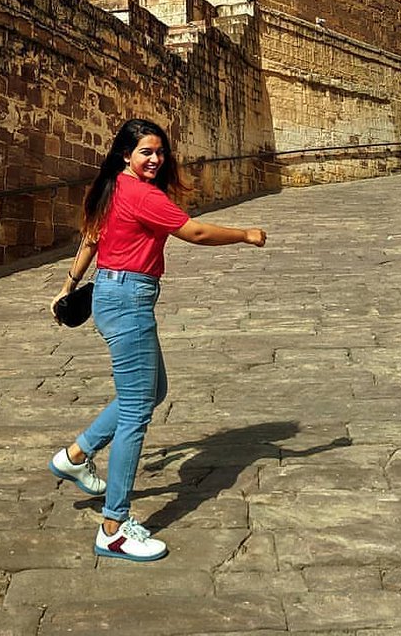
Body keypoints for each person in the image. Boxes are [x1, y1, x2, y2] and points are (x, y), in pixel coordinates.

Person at [49, 118, 267, 563]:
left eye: (159, 152)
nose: (155, 159)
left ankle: (76, 455)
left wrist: (70, 283)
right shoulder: (141, 195)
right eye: (146, 151)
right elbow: (195, 232)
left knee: (152, 390)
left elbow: (91, 238)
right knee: (135, 408)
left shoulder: (111, 187)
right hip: (127, 297)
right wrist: (245, 234)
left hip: (113, 293)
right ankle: (114, 527)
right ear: (125, 154)